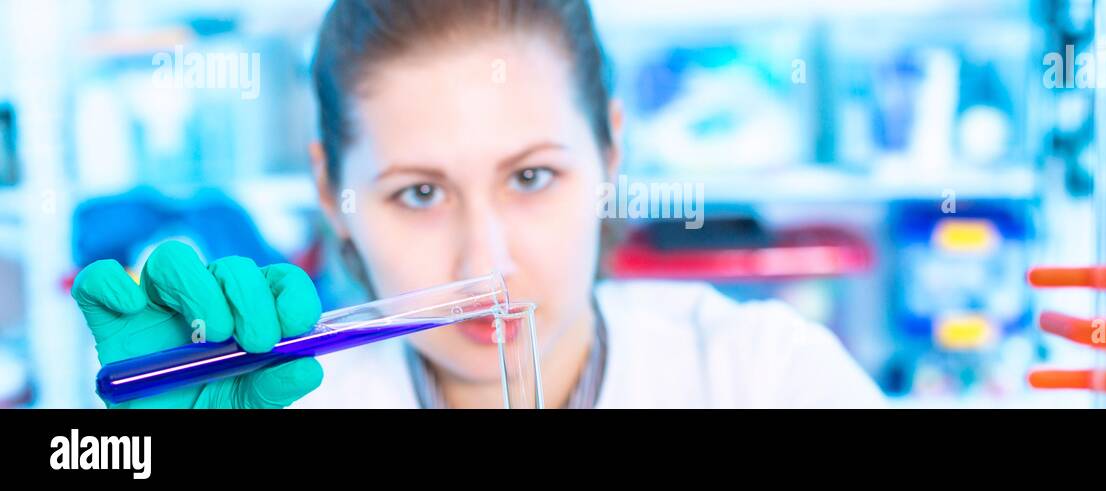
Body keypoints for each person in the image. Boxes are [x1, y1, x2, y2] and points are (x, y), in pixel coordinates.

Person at [71, 0, 885, 409]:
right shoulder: (297, 401)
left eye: (530, 177)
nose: (486, 261)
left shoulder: (760, 374)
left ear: (610, 152)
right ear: (332, 194)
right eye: (419, 192)